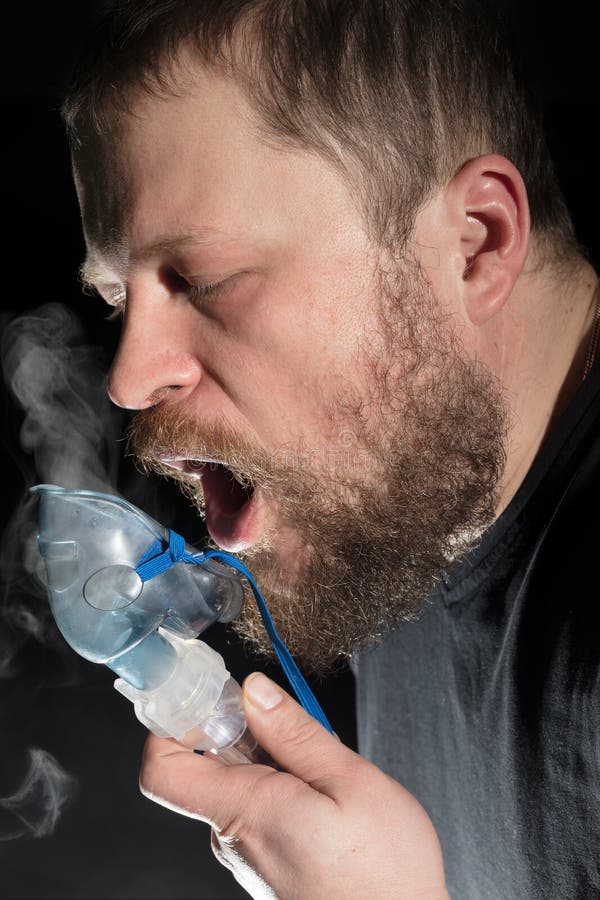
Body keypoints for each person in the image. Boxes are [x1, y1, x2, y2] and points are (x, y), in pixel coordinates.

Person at [61, 1, 600, 896]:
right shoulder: (404, 487)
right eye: (121, 300)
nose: (127, 380)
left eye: (206, 279)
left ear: (475, 246)